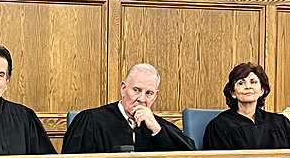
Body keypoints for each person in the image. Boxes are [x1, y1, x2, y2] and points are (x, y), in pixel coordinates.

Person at [62, 63, 195, 153]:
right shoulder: (91, 121)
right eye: (136, 90)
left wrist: (156, 129)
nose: (142, 99)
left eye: (149, 93)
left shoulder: (158, 126)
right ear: (123, 89)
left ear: (155, 96)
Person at [203, 62, 290, 149]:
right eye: (241, 83)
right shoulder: (220, 125)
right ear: (233, 93)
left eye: (253, 82)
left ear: (262, 90)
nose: (248, 87)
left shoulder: (280, 122)